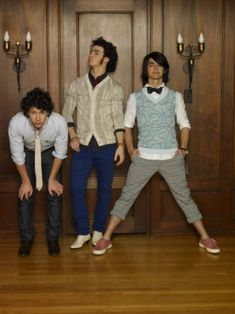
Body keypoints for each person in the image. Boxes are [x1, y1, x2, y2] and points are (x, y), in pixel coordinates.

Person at [93, 51, 221, 255]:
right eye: (151, 64)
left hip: (171, 158)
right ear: (146, 69)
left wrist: (183, 149)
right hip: (143, 158)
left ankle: (205, 238)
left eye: (159, 65)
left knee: (184, 198)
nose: (155, 68)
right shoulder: (135, 97)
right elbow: (127, 126)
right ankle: (106, 239)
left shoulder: (175, 96)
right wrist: (131, 150)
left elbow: (185, 125)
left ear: (164, 69)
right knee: (126, 197)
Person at [62, 37, 125, 249]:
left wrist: (121, 146)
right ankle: (82, 233)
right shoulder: (77, 84)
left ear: (106, 58)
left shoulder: (115, 88)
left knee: (104, 189)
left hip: (107, 145)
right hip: (83, 146)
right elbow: (65, 112)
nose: (91, 55)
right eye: (91, 51)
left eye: (96, 52)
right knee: (76, 188)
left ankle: (98, 232)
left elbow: (118, 120)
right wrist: (72, 135)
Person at [8, 87, 68, 256]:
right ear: (27, 112)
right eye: (33, 113)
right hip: (27, 153)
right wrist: (26, 182)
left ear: (48, 112)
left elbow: (61, 153)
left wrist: (52, 179)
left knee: (53, 194)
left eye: (42, 112)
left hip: (50, 153)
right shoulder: (16, 123)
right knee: (25, 196)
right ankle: (27, 239)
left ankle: (53, 239)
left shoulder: (59, 122)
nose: (38, 118)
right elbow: (17, 155)